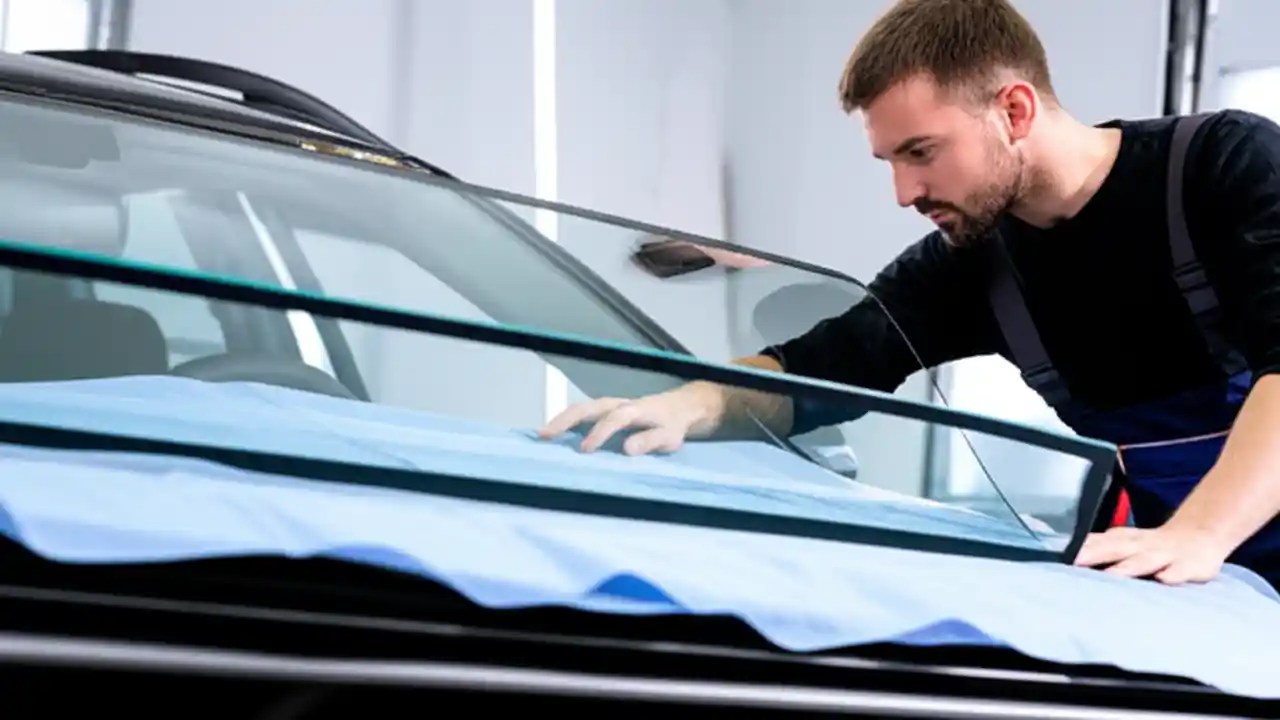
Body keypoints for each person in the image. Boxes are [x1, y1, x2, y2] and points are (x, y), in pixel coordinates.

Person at [538, 0, 1280, 592]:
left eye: (921, 153)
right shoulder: (970, 263)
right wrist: (689, 403)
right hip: (1194, 581)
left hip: (1199, 549)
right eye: (890, 161)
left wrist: (1200, 534)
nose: (904, 192)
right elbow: (827, 367)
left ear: (1014, 111)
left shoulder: (1221, 167)